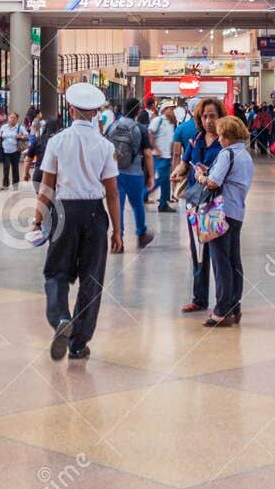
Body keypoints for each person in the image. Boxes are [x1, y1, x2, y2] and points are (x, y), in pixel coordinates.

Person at [37, 83, 124, 362]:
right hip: (95, 214)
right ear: (97, 112)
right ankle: (78, 343)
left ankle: (61, 317)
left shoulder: (57, 142)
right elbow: (112, 192)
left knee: (56, 272)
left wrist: (37, 218)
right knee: (91, 279)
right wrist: (118, 231)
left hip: (63, 211)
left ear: (71, 110)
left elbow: (46, 187)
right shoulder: (106, 145)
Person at [198, 115, 255, 327]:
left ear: (229, 136)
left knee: (220, 261)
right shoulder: (245, 155)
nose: (219, 139)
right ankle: (234, 306)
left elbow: (213, 182)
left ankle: (220, 311)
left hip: (218, 211)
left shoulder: (227, 154)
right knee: (233, 261)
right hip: (237, 211)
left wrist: (200, 177)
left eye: (221, 135)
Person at [174, 97, 225, 314]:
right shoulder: (195, 139)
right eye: (204, 116)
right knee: (198, 252)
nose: (207, 120)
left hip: (215, 204)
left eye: (212, 116)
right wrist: (178, 171)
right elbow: (185, 163)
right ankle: (199, 298)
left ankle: (224, 303)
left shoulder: (225, 142)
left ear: (220, 116)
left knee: (217, 254)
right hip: (195, 203)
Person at [104, 100, 155, 250]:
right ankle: (141, 235)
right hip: (134, 173)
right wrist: (151, 176)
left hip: (114, 173)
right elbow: (147, 154)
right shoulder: (140, 129)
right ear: (138, 111)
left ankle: (118, 237)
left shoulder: (112, 126)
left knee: (117, 205)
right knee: (137, 204)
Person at [150, 102, 178, 212]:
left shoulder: (171, 123)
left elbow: (171, 139)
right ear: (164, 110)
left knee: (166, 182)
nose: (172, 111)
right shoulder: (158, 120)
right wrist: (156, 149)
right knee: (161, 179)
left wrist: (171, 153)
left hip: (167, 156)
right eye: (170, 109)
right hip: (159, 156)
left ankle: (163, 204)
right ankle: (143, 194)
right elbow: (150, 134)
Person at [0, 111, 25, 189]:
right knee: (6, 169)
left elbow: (27, 136)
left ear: (17, 119)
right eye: (11, 117)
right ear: (8, 118)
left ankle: (15, 186)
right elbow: (0, 135)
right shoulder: (3, 127)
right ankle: (5, 185)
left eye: (14, 118)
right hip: (5, 151)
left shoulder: (20, 127)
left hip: (15, 151)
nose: (12, 119)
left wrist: (21, 136)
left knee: (15, 169)